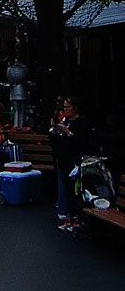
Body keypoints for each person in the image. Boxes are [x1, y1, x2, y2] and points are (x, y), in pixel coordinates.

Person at [49, 97, 85, 231]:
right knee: (66, 189)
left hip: (74, 161)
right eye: (64, 108)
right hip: (62, 159)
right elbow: (54, 139)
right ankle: (68, 218)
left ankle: (76, 218)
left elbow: (80, 142)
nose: (65, 110)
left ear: (75, 108)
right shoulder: (65, 120)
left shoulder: (80, 122)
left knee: (75, 190)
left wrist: (67, 132)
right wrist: (54, 129)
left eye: (67, 107)